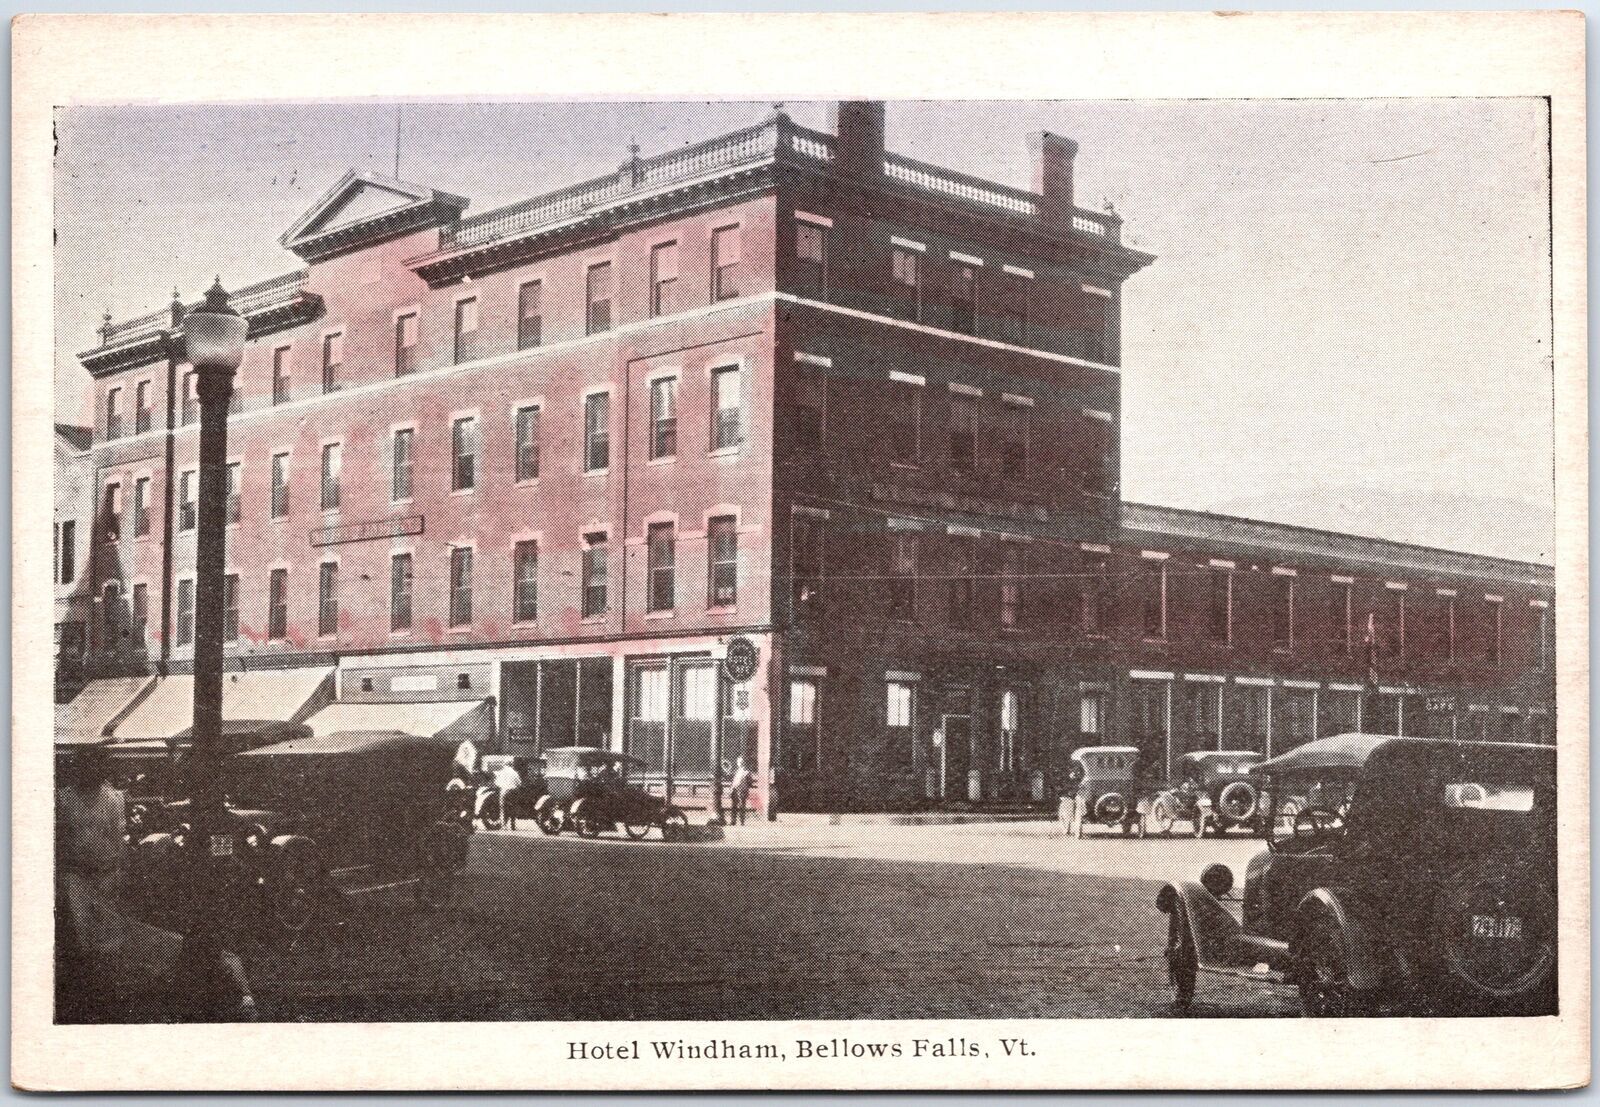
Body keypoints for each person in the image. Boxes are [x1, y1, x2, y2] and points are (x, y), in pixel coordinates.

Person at [55, 746, 256, 1023]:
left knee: (214, 946)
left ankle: (240, 996)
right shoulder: (193, 816)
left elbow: (222, 859)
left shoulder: (217, 820)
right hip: (188, 886)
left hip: (207, 888)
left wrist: (209, 867)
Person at [493, 757, 524, 830]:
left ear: (505, 764)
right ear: (511, 764)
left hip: (504, 791)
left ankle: (504, 825)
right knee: (513, 808)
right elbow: (519, 783)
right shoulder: (515, 773)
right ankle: (512, 825)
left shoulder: (501, 772)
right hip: (513, 792)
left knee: (503, 808)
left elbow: (496, 783)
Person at [729, 756, 754, 826]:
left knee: (742, 806)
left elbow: (750, 783)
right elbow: (733, 781)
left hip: (742, 791)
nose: (740, 763)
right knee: (734, 806)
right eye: (739, 762)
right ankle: (733, 821)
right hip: (735, 790)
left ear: (744, 763)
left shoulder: (747, 772)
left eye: (741, 762)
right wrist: (732, 789)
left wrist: (745, 788)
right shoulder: (736, 771)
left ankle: (742, 822)